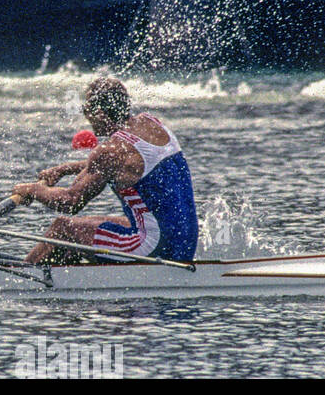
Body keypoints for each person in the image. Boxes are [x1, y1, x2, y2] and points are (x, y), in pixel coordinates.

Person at [11, 77, 198, 264]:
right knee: (89, 228)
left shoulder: (110, 152)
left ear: (99, 113)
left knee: (63, 229)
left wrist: (33, 190)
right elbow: (123, 165)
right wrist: (64, 169)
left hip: (156, 247)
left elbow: (71, 202)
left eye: (86, 110)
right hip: (185, 242)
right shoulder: (151, 122)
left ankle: (20, 280)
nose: (86, 116)